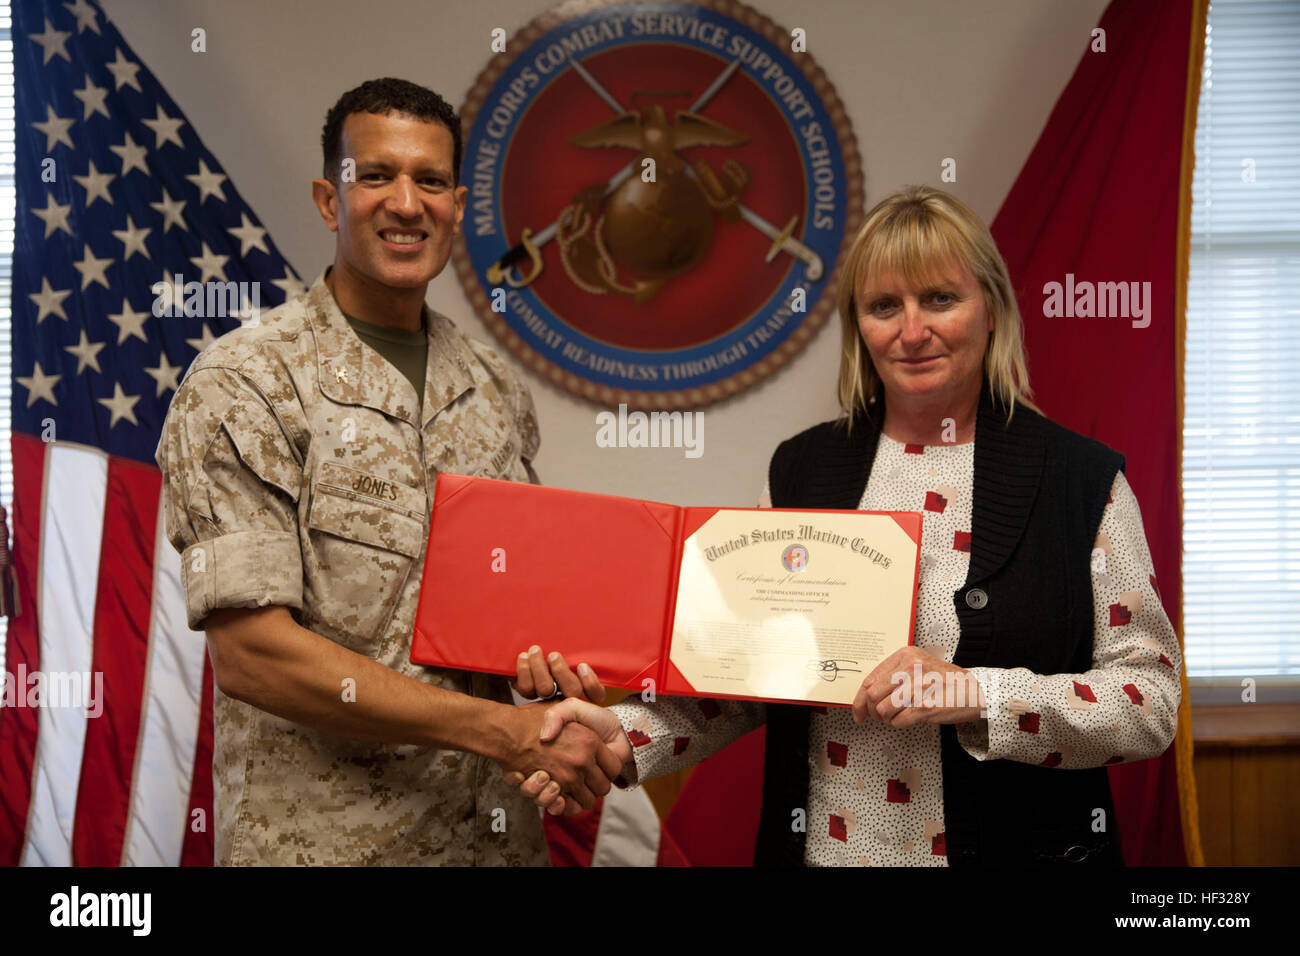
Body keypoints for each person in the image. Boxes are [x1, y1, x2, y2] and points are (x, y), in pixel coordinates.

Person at [510, 185, 1183, 866]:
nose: (911, 330)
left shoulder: (1080, 479)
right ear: (857, 325)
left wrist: (977, 692)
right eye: (884, 305)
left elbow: (1150, 701)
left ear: (991, 312)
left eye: (940, 299)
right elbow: (750, 679)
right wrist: (619, 736)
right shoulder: (804, 471)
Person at [155, 78, 615, 866]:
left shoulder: (494, 389)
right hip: (327, 850)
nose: (406, 203)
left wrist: (557, 692)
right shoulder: (247, 383)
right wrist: (505, 733)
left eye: (430, 180)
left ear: (457, 203)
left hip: (494, 846)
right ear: (330, 200)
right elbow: (253, 655)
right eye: (376, 176)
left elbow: (514, 618)